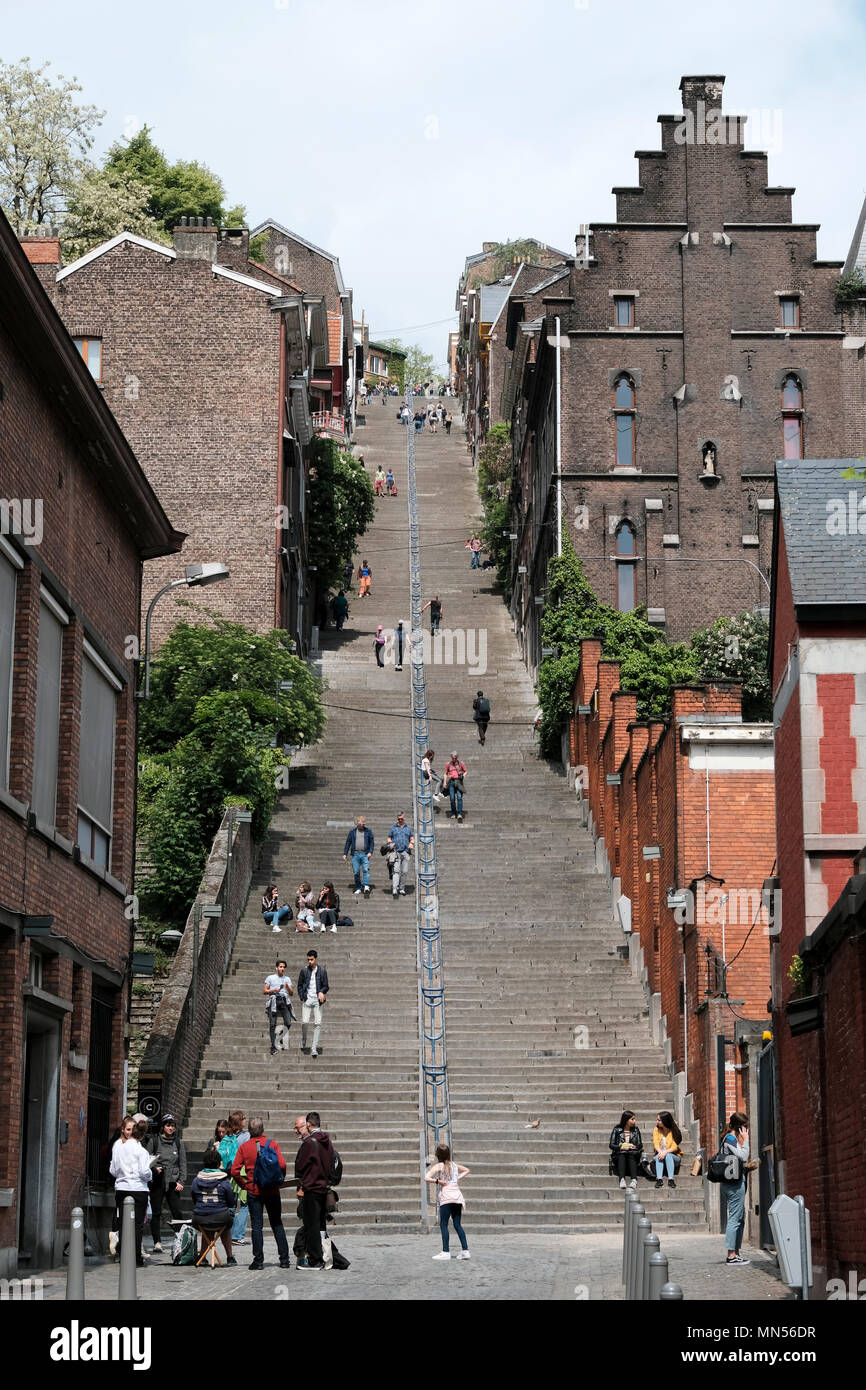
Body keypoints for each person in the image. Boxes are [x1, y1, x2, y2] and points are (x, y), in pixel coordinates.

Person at [231, 1116, 291, 1271]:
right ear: (263, 1129)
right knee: (277, 1223)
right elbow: (283, 1164)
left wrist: (243, 1185)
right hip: (272, 1190)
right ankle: (284, 1259)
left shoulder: (245, 1147)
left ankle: (258, 1261)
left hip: (253, 1190)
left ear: (250, 1131)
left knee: (257, 1226)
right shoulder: (273, 1144)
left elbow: (234, 1171)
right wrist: (279, 1179)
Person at [294, 1110, 336, 1269]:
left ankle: (315, 1260)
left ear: (309, 1125)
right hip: (324, 1187)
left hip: (311, 1188)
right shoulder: (327, 1141)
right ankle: (324, 1257)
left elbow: (300, 1166)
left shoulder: (309, 1143)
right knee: (319, 1225)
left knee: (311, 1225)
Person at [110, 1116, 153, 1267]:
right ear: (141, 1136)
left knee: (122, 1223)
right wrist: (150, 1174)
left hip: (121, 1188)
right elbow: (144, 1172)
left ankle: (123, 1255)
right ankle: (135, 1257)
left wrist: (123, 1175)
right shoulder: (141, 1151)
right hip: (138, 1189)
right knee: (137, 1225)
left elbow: (113, 1170)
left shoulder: (118, 1147)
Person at [146, 1113, 186, 1253]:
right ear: (163, 1127)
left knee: (177, 1212)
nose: (170, 1128)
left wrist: (181, 1181)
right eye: (168, 1125)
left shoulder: (178, 1143)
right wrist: (153, 1169)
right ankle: (157, 1241)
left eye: (172, 1125)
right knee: (156, 1212)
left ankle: (181, 1239)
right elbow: (146, 1161)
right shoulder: (154, 1141)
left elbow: (183, 1164)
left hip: (173, 1181)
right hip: (158, 1180)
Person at [191, 1147, 237, 1265]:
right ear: (218, 1163)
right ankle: (230, 1257)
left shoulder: (196, 1180)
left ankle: (202, 1256)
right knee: (225, 1228)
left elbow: (194, 1199)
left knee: (206, 1226)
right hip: (221, 1217)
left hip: (200, 1218)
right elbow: (231, 1202)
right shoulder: (224, 1180)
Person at [425, 1143, 470, 1260]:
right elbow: (466, 1170)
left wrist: (438, 1181)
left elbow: (426, 1178)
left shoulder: (439, 1166)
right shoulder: (454, 1165)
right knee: (457, 1224)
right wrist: (456, 1179)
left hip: (447, 1197)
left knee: (443, 1224)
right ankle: (465, 1251)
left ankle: (446, 1252)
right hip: (457, 1196)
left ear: (437, 1155)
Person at [721, 1111, 751, 1265]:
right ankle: (731, 1256)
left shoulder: (729, 1138)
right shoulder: (731, 1139)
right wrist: (746, 1141)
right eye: (745, 1128)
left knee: (740, 1217)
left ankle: (736, 1253)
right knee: (734, 1218)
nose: (747, 1131)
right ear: (740, 1128)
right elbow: (743, 1156)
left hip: (733, 1182)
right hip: (733, 1184)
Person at [217, 1110, 250, 1246]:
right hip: (242, 1173)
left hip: (229, 1173)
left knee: (231, 1204)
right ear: (239, 1122)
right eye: (243, 1118)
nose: (245, 1120)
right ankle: (237, 1236)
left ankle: (228, 1233)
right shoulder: (246, 1136)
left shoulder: (227, 1137)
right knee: (244, 1204)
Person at [298, 949, 329, 1057]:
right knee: (305, 1022)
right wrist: (302, 996)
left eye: (311, 959)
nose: (309, 962)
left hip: (317, 1001)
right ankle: (304, 1039)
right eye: (308, 960)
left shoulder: (322, 971)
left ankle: (314, 1047)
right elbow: (300, 985)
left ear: (316, 959)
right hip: (307, 999)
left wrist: (321, 992)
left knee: (318, 1023)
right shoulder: (304, 971)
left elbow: (326, 985)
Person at [264, 959, 294, 1056]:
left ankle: (279, 1038)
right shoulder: (270, 978)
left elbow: (291, 993)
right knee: (273, 1024)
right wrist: (274, 990)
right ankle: (273, 1047)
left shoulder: (287, 979)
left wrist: (287, 987)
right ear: (277, 967)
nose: (282, 968)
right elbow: (265, 991)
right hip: (273, 1000)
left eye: (283, 967)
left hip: (284, 1001)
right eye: (280, 967)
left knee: (288, 1022)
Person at [609, 1109, 643, 1189]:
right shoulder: (617, 1129)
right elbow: (611, 1145)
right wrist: (621, 1147)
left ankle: (634, 1179)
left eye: (634, 1119)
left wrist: (635, 1147)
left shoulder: (636, 1130)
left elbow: (640, 1144)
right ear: (626, 1120)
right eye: (632, 1119)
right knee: (622, 1153)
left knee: (631, 1153)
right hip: (619, 1155)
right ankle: (622, 1179)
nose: (634, 1121)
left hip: (632, 1155)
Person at [343, 816, 374, 896]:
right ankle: (358, 887)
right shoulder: (352, 832)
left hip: (365, 854)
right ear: (357, 823)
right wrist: (345, 853)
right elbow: (348, 842)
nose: (361, 825)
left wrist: (370, 852)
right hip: (355, 854)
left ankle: (366, 886)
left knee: (366, 870)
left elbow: (372, 843)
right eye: (360, 824)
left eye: (362, 824)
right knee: (356, 872)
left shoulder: (368, 831)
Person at [652, 1111, 683, 1189]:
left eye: (659, 1120)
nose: (657, 1122)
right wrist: (661, 1152)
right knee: (660, 1156)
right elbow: (655, 1144)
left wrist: (664, 1152)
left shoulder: (674, 1131)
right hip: (659, 1155)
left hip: (674, 1157)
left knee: (668, 1155)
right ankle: (659, 1179)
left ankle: (671, 1179)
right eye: (657, 1120)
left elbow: (674, 1147)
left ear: (665, 1121)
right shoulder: (656, 1129)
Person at [387, 811, 415, 897]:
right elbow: (389, 838)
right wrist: (391, 844)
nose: (400, 820)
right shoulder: (393, 828)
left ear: (404, 818)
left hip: (405, 852)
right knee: (396, 871)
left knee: (405, 871)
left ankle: (402, 888)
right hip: (396, 852)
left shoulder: (408, 828)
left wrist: (412, 843)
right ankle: (395, 888)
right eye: (398, 819)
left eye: (401, 819)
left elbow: (412, 838)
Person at [443, 751, 467, 823]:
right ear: (451, 757)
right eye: (453, 758)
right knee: (452, 798)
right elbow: (445, 773)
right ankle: (454, 813)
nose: (454, 759)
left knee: (459, 797)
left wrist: (463, 776)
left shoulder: (461, 763)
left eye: (455, 758)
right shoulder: (448, 764)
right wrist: (444, 782)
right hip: (451, 782)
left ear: (457, 757)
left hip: (458, 782)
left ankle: (459, 813)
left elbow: (465, 771)